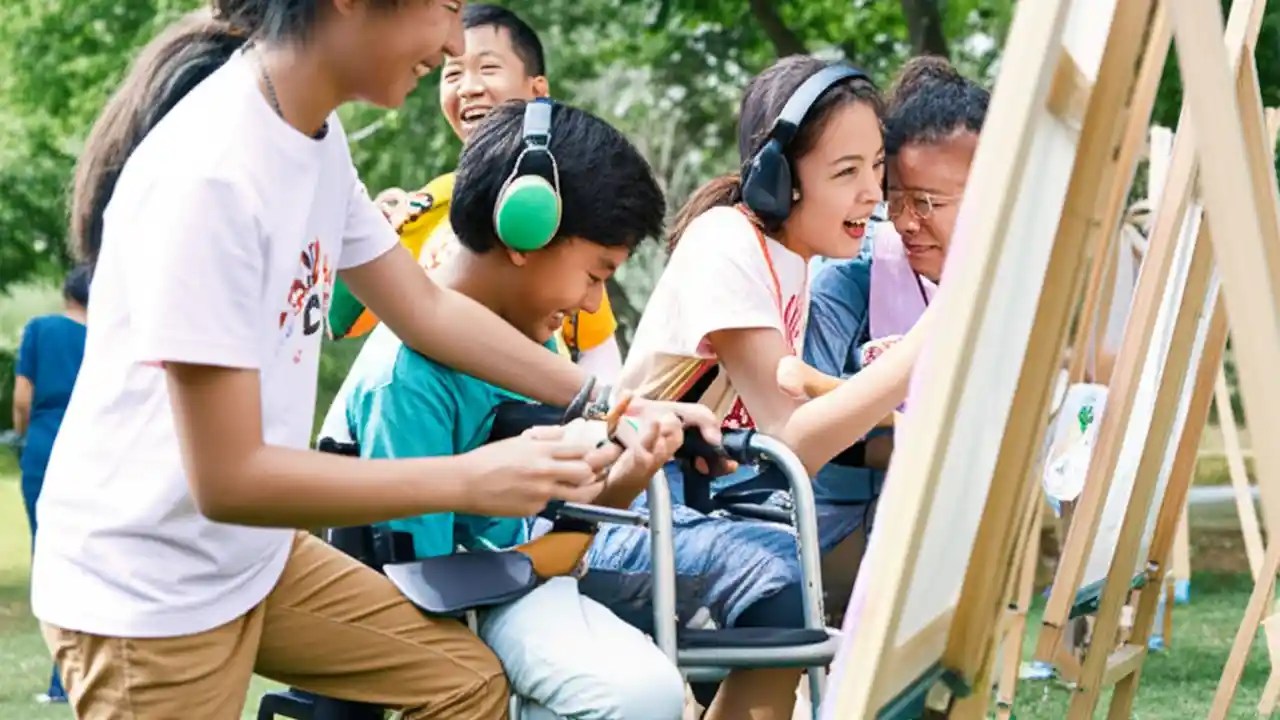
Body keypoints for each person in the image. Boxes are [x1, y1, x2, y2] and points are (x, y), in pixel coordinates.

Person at [35, 4, 716, 718]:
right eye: (447, 9)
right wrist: (467, 480)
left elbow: (425, 310)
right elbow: (227, 479)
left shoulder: (313, 142)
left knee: (462, 680)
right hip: (151, 590)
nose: (454, 43)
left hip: (251, 559)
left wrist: (613, 404)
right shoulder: (213, 175)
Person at [582, 55, 932, 720]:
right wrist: (919, 355)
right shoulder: (728, 244)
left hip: (692, 503)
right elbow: (791, 440)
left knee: (780, 570)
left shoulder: (792, 261)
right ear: (779, 178)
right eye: (846, 172)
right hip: (617, 506)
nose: (872, 194)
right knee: (778, 577)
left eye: (877, 169)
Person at [327, 99, 686, 720]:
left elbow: (558, 526)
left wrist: (633, 468)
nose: (589, 301)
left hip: (518, 589)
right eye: (596, 274)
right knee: (627, 695)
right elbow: (423, 583)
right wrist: (549, 554)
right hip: (445, 611)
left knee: (652, 692)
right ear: (528, 235)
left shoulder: (534, 339)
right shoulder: (404, 382)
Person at [327, 4, 624, 382]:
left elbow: (597, 350)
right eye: (452, 73)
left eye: (488, 68)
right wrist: (376, 225)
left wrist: (600, 419)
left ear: (538, 92)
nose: (468, 88)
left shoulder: (562, 206)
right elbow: (339, 321)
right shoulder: (428, 204)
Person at [804, 55, 988, 380]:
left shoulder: (1030, 280)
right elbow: (802, 414)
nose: (904, 222)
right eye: (895, 199)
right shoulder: (850, 287)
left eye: (924, 202)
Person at [11, 264, 91, 705]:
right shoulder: (106, 335)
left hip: (46, 447)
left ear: (67, 293)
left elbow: (23, 399)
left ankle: (62, 681)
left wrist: (22, 437)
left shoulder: (41, 330)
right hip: (96, 449)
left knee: (50, 557)